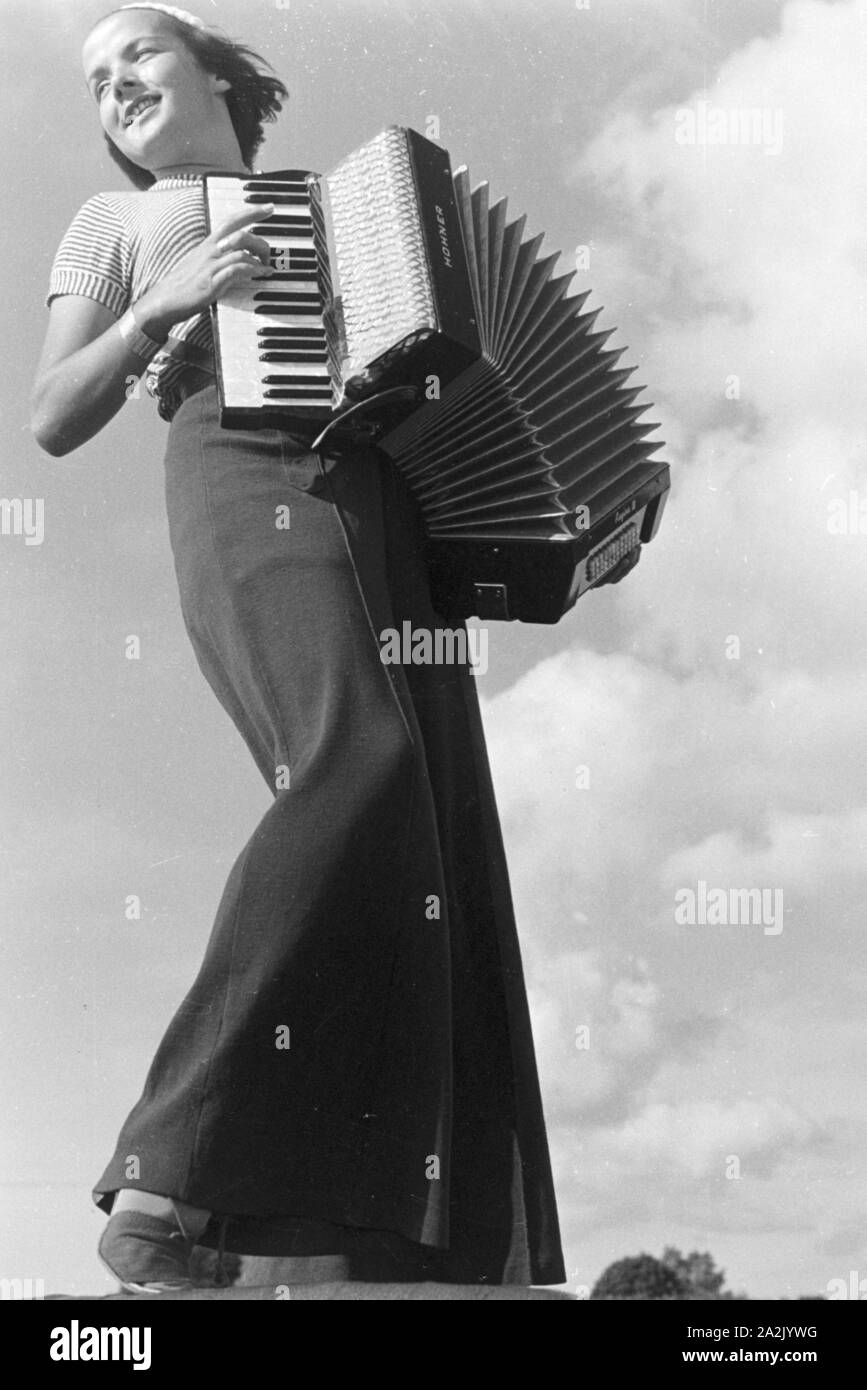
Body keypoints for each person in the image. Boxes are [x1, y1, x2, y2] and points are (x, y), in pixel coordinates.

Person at [31, 2, 568, 1292]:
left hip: (385, 509)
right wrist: (165, 302)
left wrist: (575, 513)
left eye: (138, 57)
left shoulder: (351, 208)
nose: (114, 88)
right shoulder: (117, 224)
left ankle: (370, 1254)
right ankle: (176, 1177)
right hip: (238, 460)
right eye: (94, 82)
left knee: (439, 840)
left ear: (217, 72)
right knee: (357, 762)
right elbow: (52, 414)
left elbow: (461, 388)